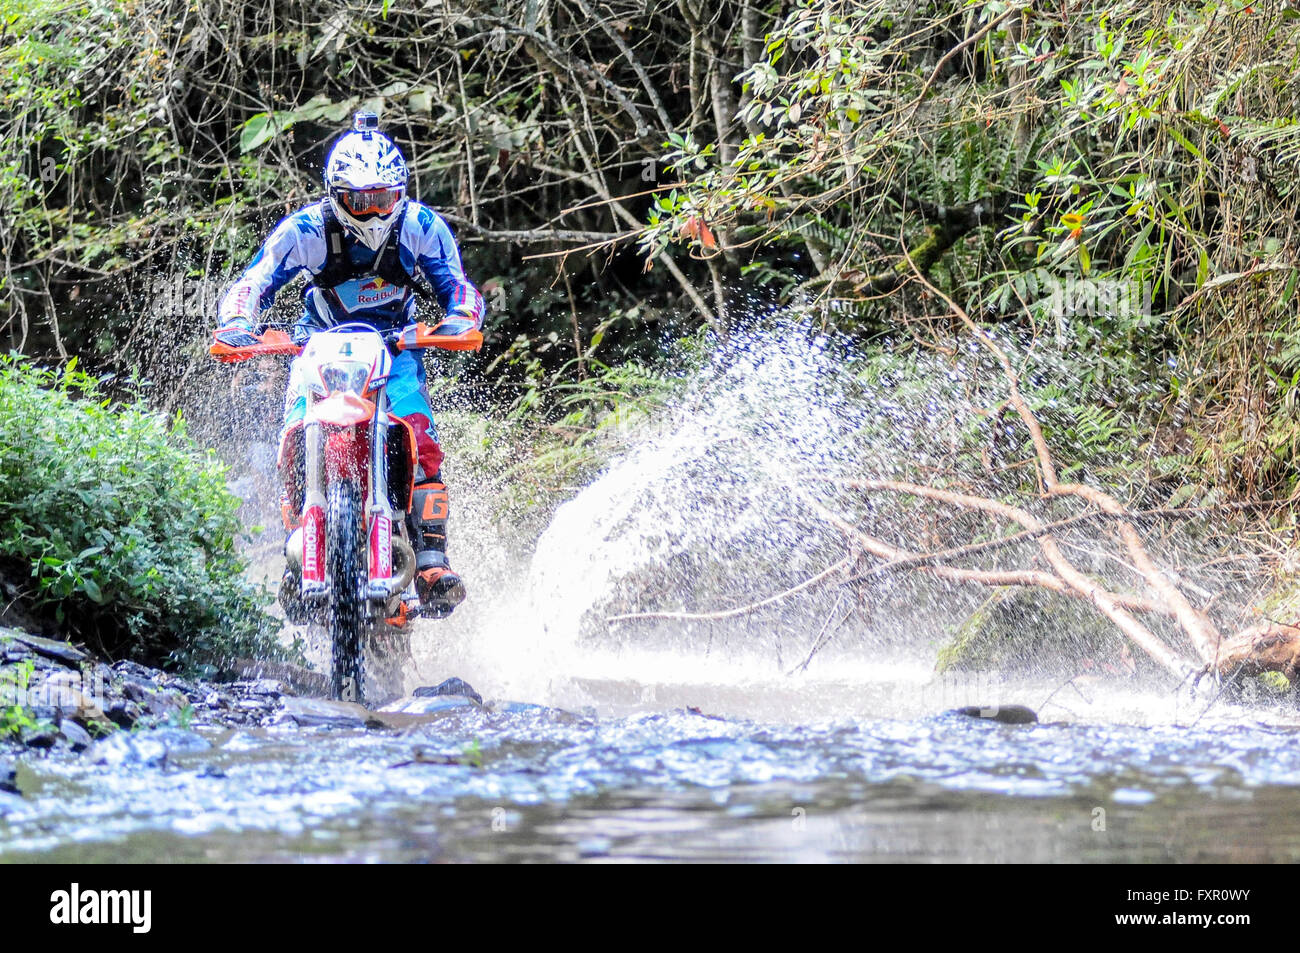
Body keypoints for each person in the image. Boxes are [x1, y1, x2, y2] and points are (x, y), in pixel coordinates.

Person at [214, 112, 485, 620]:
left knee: (420, 438)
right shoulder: (307, 229)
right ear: (334, 194)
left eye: (381, 198)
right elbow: (255, 280)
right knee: (294, 435)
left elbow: (458, 286)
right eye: (357, 200)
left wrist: (460, 317)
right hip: (317, 348)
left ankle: (430, 560)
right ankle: (298, 554)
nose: (370, 210)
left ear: (399, 192)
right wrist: (237, 321)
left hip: (395, 350)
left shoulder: (421, 226)